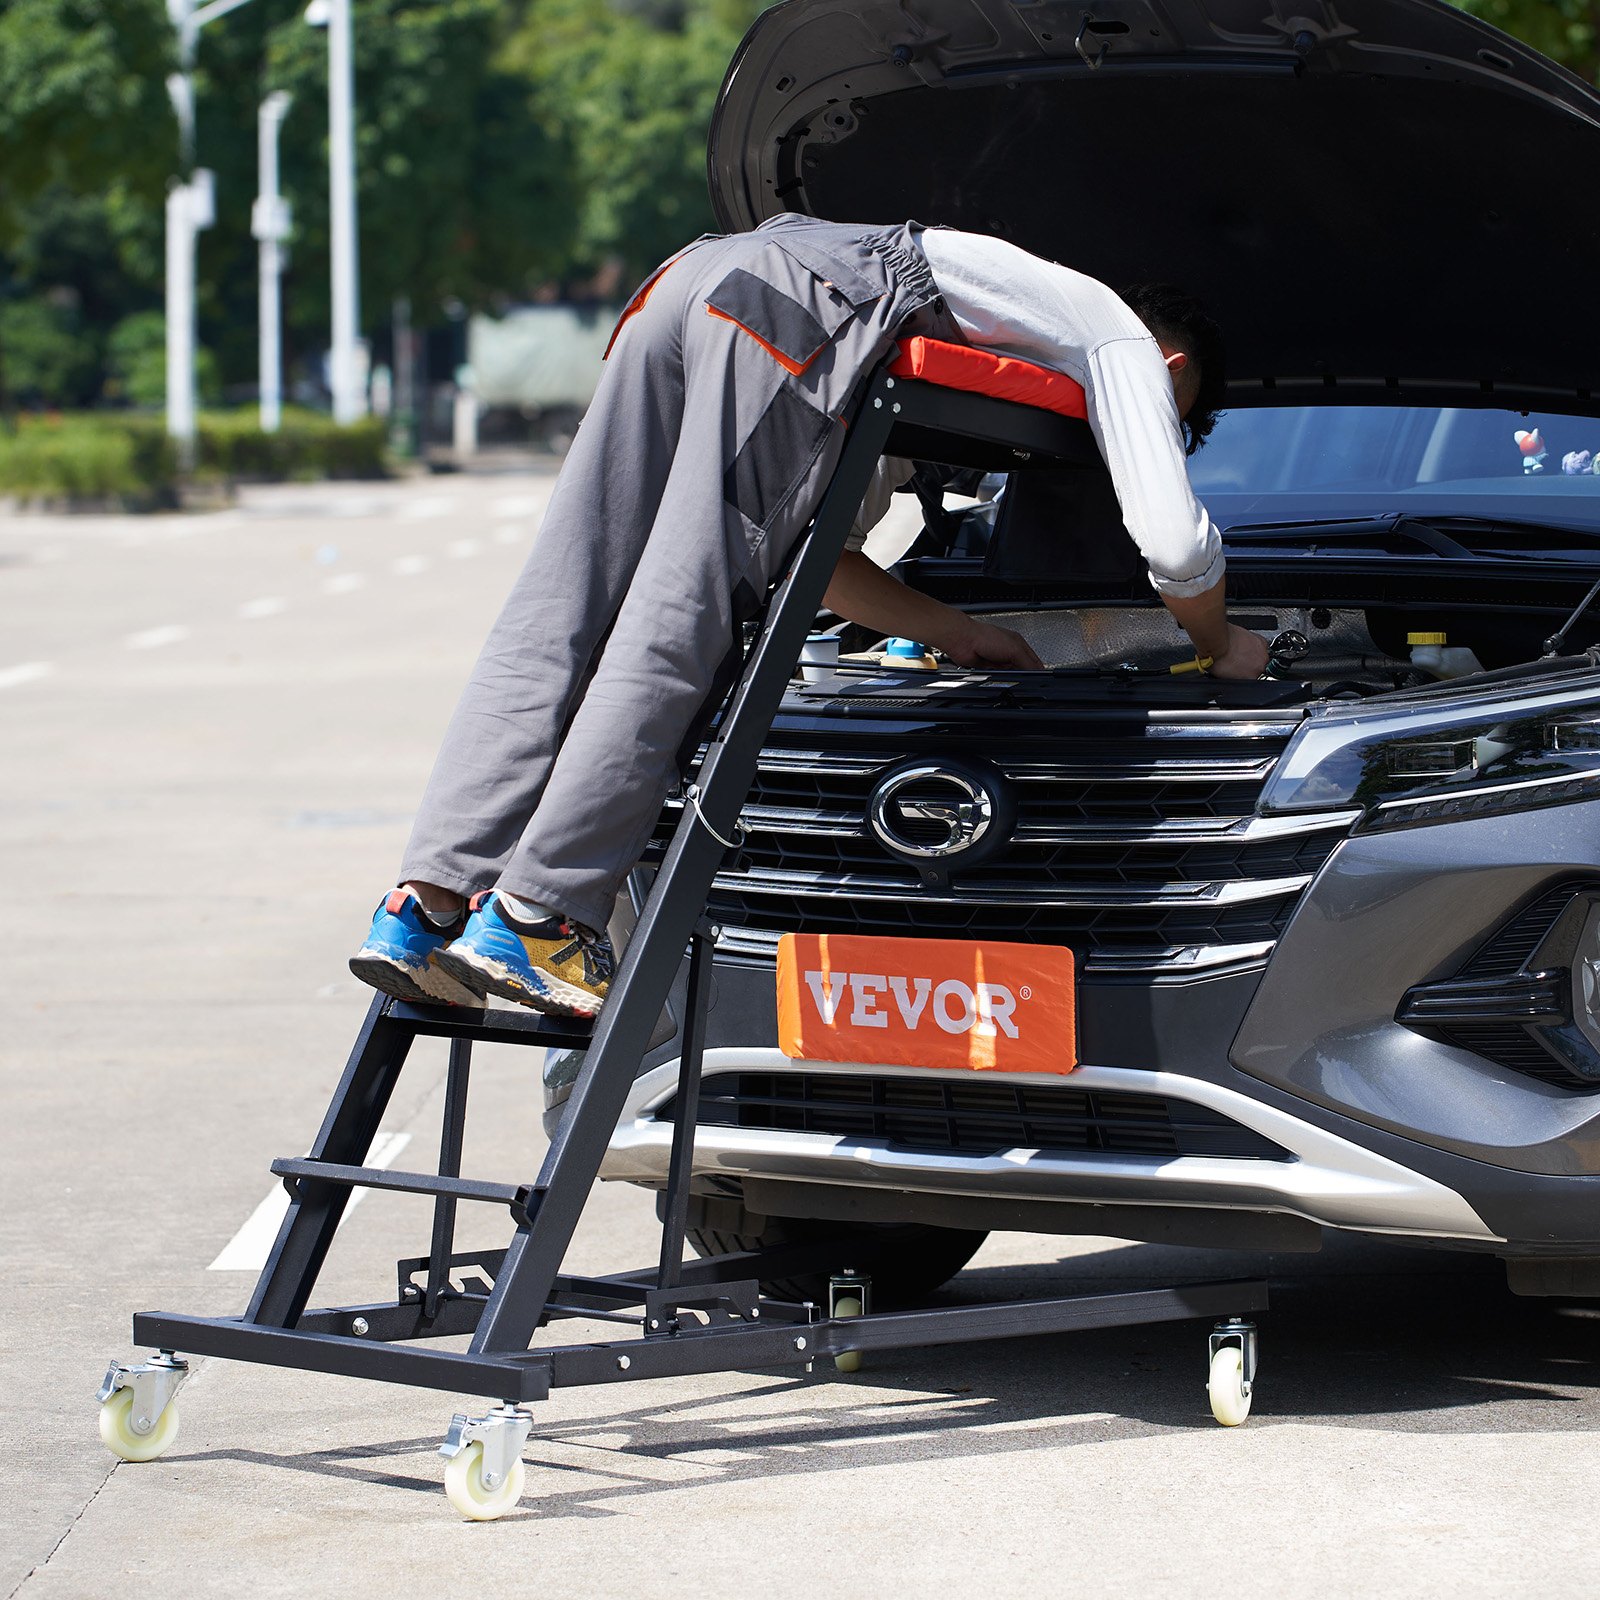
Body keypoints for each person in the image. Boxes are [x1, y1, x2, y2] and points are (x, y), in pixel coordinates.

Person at [349, 215, 1270, 1019]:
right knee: (685, 612)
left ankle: (425, 905)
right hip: (797, 309)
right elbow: (1174, 544)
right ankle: (538, 915)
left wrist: (961, 633)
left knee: (564, 598)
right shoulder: (1115, 337)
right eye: (1163, 420)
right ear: (1171, 372)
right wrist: (1219, 642)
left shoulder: (962, 345)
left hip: (694, 279)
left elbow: (816, 558)